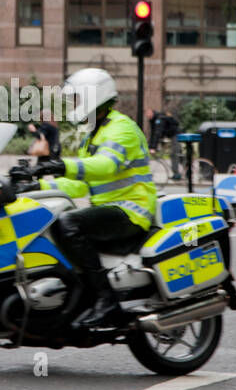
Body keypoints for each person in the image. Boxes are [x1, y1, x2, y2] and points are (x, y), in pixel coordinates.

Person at [31, 68, 155, 330]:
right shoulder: (93, 136)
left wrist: (62, 165)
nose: (73, 105)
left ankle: (105, 298)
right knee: (51, 222)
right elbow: (79, 184)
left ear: (94, 97)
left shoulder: (122, 128)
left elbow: (107, 165)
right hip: (110, 210)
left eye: (77, 98)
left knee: (68, 223)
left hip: (130, 211)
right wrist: (36, 183)